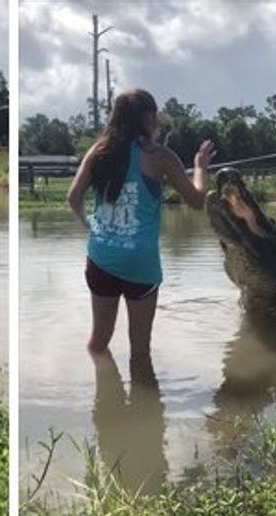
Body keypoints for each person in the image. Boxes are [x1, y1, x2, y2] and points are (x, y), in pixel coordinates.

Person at [67, 89, 216, 356]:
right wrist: (200, 167)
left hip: (101, 256)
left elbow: (73, 198)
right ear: (149, 117)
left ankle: (100, 382)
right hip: (140, 262)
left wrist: (90, 226)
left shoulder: (98, 151)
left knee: (98, 341)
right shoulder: (160, 156)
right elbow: (196, 200)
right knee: (140, 347)